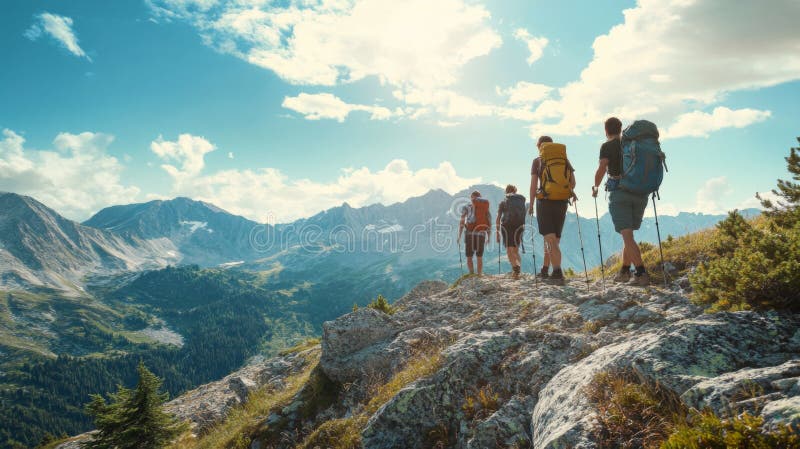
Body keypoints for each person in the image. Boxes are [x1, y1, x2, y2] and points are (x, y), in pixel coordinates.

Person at [592, 117, 650, 286]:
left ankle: (641, 273)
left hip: (620, 193)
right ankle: (624, 271)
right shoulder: (632, 143)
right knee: (629, 235)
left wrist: (595, 186)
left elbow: (603, 167)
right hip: (640, 193)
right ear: (620, 128)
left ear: (606, 130)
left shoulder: (607, 146)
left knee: (627, 235)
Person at [528, 136, 576, 285]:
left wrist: (531, 204)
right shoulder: (564, 160)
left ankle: (557, 272)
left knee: (550, 240)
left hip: (545, 202)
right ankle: (545, 269)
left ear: (539, 147)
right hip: (562, 202)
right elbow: (573, 183)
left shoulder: (537, 161)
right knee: (554, 240)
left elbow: (533, 185)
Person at [496, 184, 526, 279]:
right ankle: (518, 270)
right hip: (519, 227)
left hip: (507, 227)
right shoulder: (520, 202)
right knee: (516, 250)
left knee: (509, 250)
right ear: (515, 192)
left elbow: (498, 218)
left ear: (506, 192)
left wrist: (497, 232)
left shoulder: (503, 202)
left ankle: (515, 268)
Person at [459, 190, 491, 275]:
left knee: (469, 256)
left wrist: (459, 235)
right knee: (479, 256)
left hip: (470, 234)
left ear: (471, 197)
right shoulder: (485, 207)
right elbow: (489, 222)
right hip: (481, 234)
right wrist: (489, 237)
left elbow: (462, 221)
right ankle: (479, 274)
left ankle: (472, 274)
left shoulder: (466, 206)